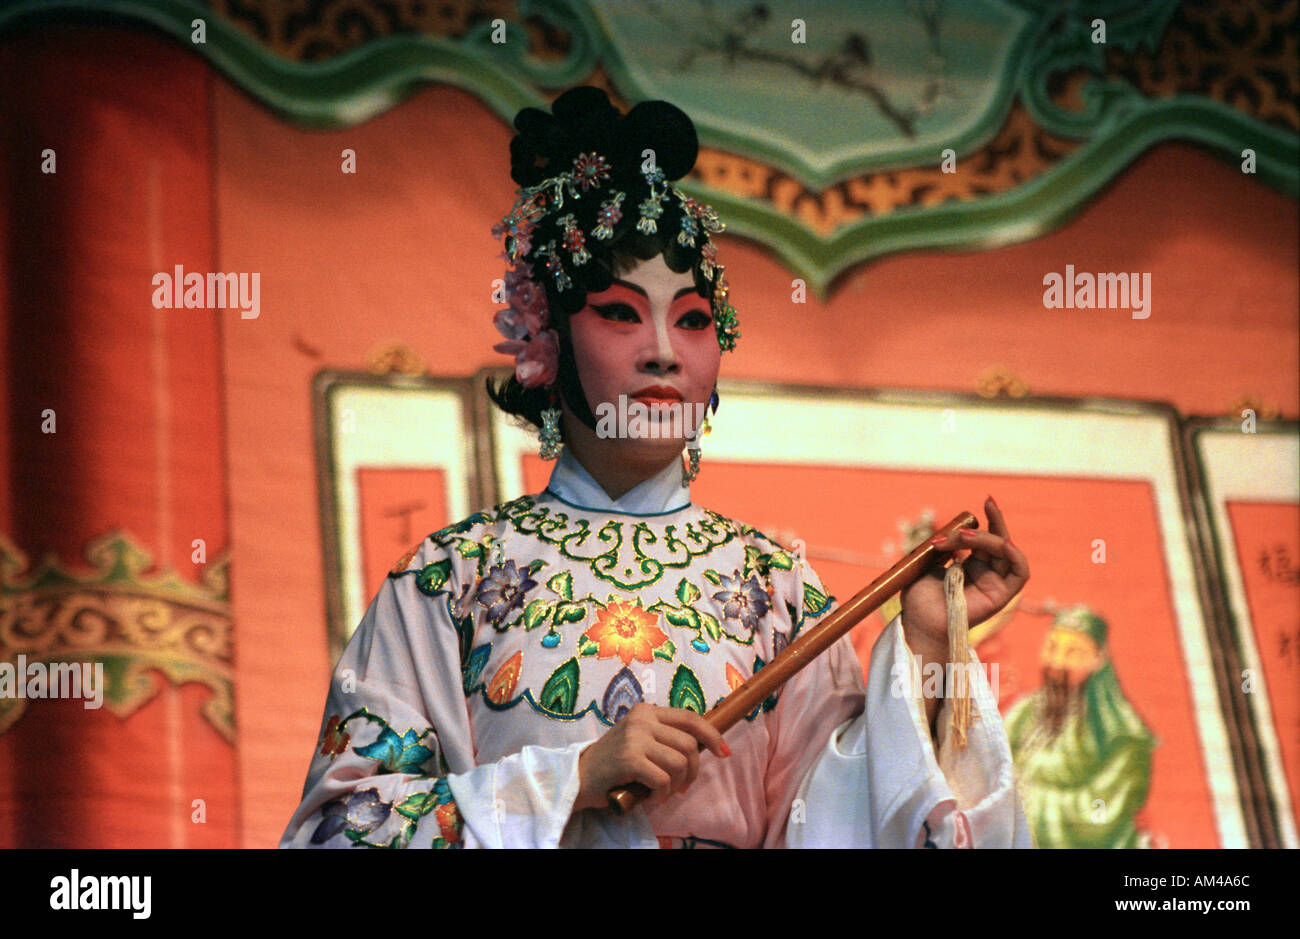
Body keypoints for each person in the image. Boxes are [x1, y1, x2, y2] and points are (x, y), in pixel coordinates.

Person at [280, 86, 1033, 848]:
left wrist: (933, 647)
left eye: (694, 320)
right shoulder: (452, 581)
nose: (664, 352)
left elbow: (840, 822)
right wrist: (565, 780)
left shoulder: (777, 590)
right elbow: (341, 829)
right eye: (619, 312)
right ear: (543, 335)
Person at [1005, 606, 1156, 848]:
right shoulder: (1024, 713)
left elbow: (1101, 816)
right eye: (1052, 648)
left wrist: (1022, 799)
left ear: (1098, 659)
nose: (1058, 662)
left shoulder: (1123, 735)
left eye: (1073, 652)